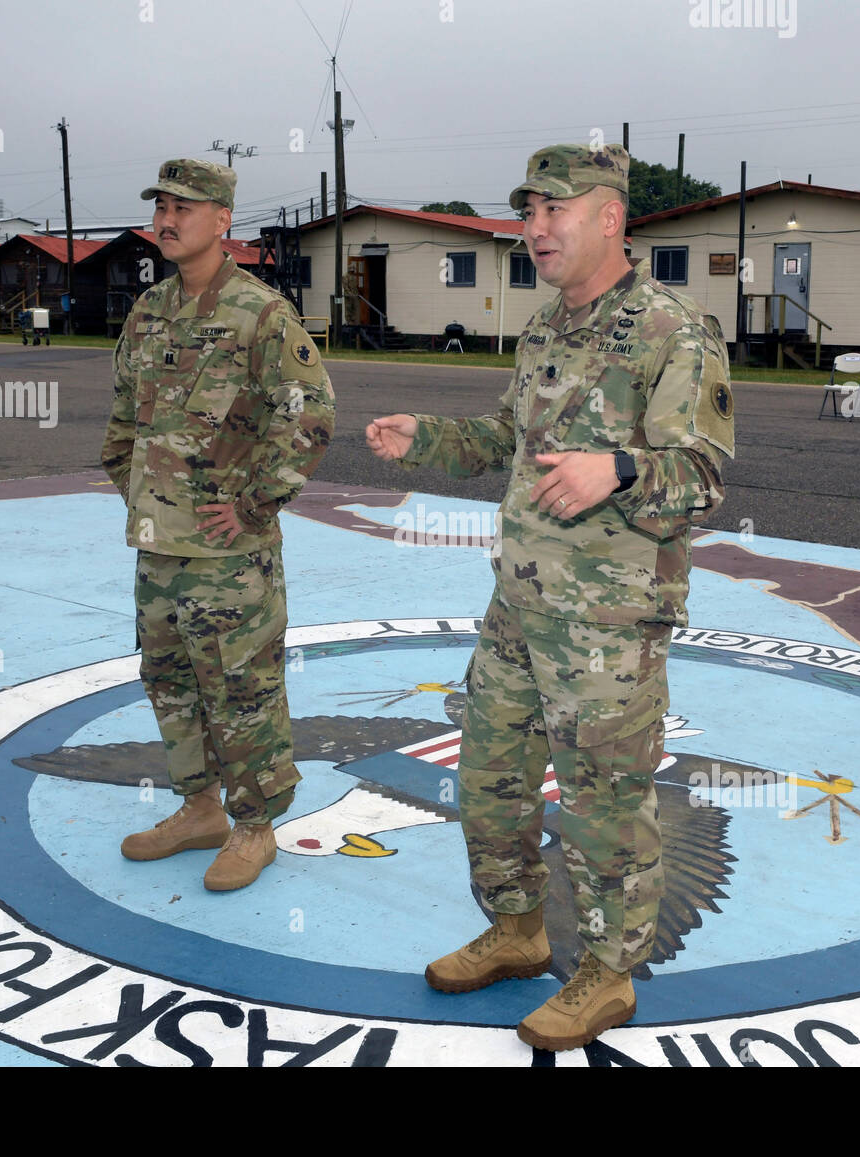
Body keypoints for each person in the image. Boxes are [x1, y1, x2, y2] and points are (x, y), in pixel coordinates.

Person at [365, 143, 735, 1051]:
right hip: (519, 609)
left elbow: (701, 475)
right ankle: (519, 929)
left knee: (605, 800)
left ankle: (608, 973)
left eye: (552, 211)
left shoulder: (672, 330)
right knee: (487, 783)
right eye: (528, 212)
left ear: (610, 217)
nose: (533, 229)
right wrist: (428, 437)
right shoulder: (544, 330)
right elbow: (505, 435)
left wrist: (613, 469)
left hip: (607, 624)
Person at [102, 158, 335, 892]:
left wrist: (252, 503)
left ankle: (256, 825)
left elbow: (313, 417)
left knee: (242, 690)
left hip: (231, 558)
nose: (167, 219)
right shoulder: (148, 312)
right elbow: (121, 424)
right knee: (169, 682)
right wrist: (142, 492)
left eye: (185, 207)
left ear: (223, 219)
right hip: (159, 548)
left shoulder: (261, 314)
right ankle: (199, 806)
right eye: (162, 205)